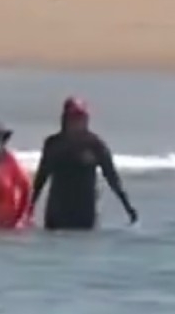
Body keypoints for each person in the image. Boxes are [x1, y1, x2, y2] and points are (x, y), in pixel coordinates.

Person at [27, 97, 138, 231]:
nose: (77, 123)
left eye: (81, 118)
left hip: (85, 214)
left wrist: (128, 208)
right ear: (65, 120)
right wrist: (28, 209)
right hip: (57, 214)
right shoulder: (53, 144)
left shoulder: (95, 145)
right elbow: (41, 178)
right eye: (73, 118)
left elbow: (112, 178)